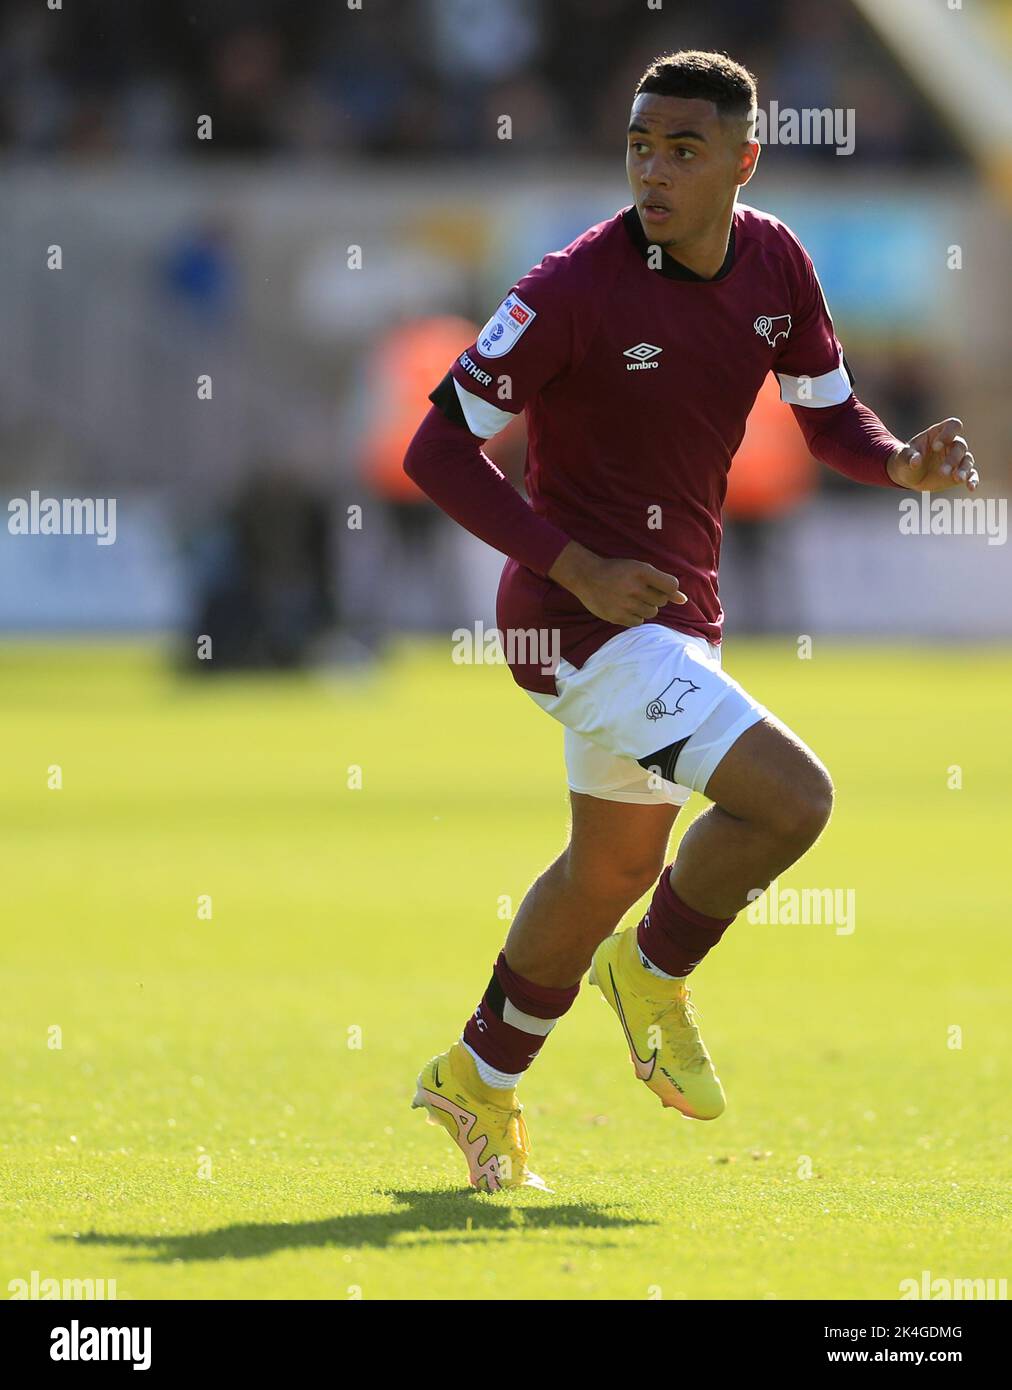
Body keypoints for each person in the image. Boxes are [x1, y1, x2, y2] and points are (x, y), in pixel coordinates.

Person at [402, 50, 978, 1192]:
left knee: (608, 866)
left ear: (742, 161)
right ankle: (654, 974)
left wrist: (897, 464)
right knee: (791, 799)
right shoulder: (568, 290)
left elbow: (826, 417)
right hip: (576, 623)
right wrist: (575, 562)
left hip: (673, 615)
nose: (653, 172)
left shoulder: (774, 260)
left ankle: (477, 1073)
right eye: (638, 146)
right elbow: (435, 449)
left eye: (682, 149)